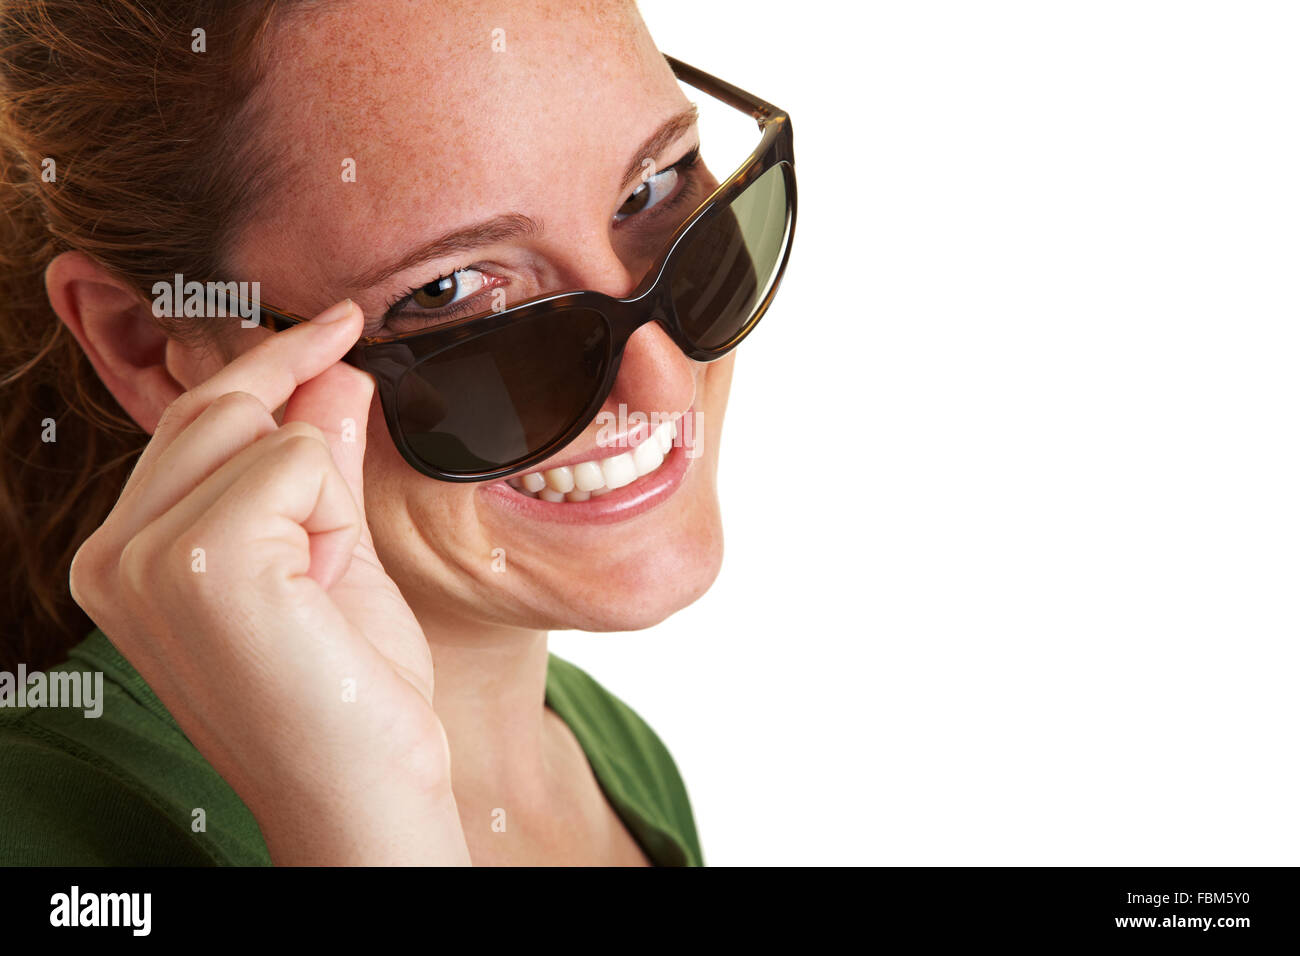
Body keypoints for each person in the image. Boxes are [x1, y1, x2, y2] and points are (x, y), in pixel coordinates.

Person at [0, 0, 795, 865]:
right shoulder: (43, 832)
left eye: (654, 186)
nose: (662, 379)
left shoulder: (608, 751)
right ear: (152, 347)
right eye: (449, 290)